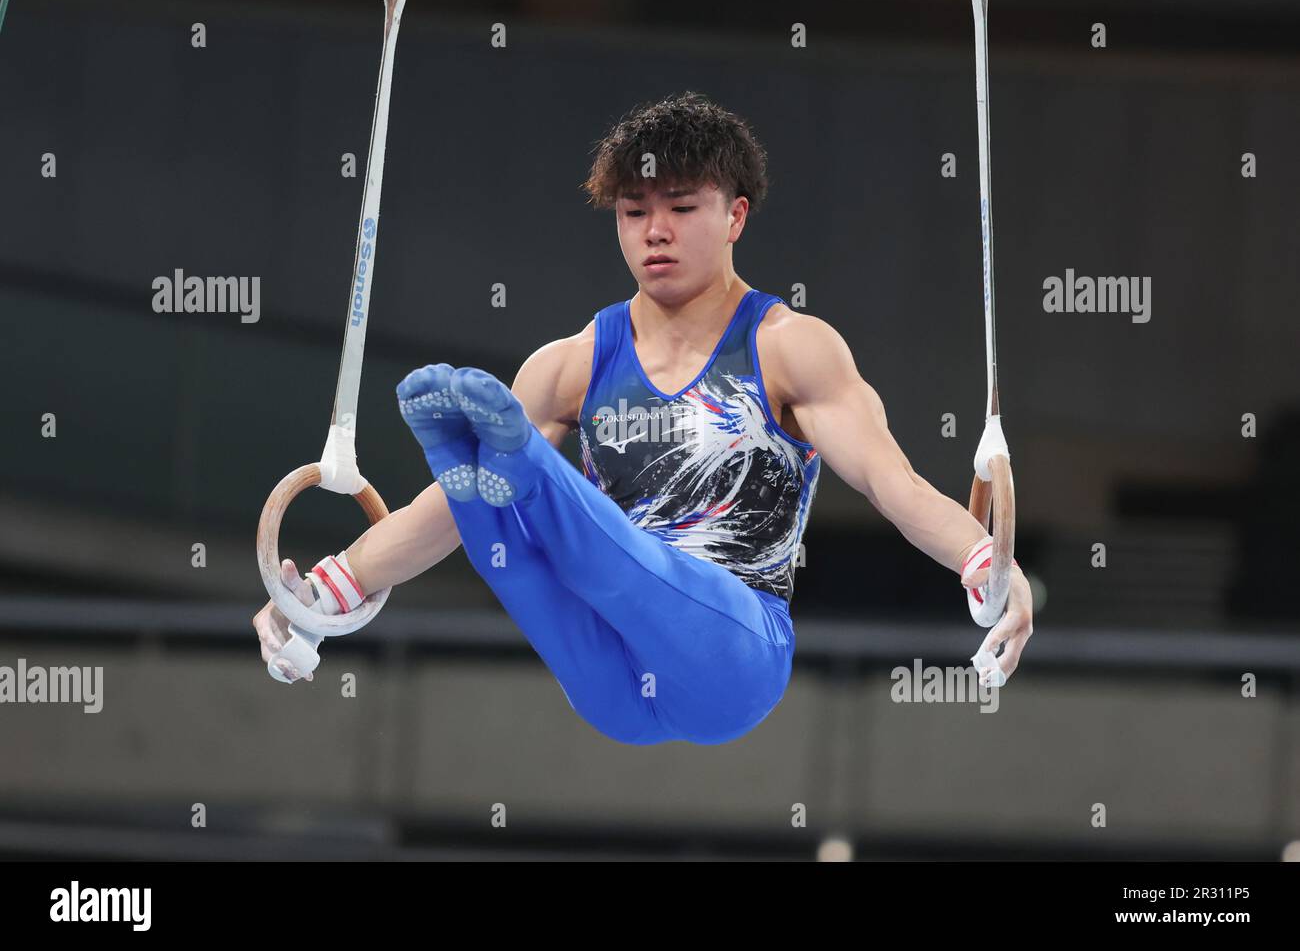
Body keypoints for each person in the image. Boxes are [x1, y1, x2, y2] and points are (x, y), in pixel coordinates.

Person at [252, 90, 1034, 745]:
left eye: (681, 207)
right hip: (611, 685)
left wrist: (988, 564)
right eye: (633, 212)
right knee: (490, 518)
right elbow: (436, 521)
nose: (654, 231)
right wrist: (321, 595)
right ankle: (482, 460)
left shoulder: (791, 350)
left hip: (733, 656)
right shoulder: (571, 364)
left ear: (735, 217)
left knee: (583, 529)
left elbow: (893, 485)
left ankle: (520, 462)